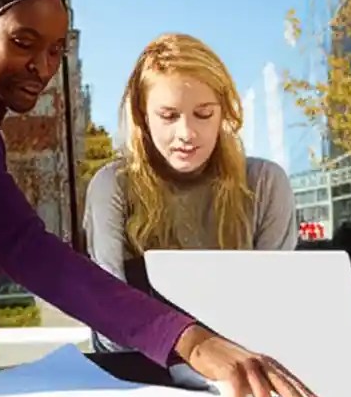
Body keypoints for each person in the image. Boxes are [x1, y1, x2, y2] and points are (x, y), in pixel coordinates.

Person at [0, 0, 336, 397]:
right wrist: (193, 341)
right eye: (24, 43)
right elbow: (27, 249)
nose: (41, 67)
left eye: (55, 51)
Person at [83, 32, 296, 353]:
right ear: (142, 116)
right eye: (168, 116)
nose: (186, 133)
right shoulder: (113, 186)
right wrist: (196, 351)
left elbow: (277, 312)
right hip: (139, 379)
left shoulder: (265, 183)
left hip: (245, 374)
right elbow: (109, 326)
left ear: (224, 112)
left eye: (204, 114)